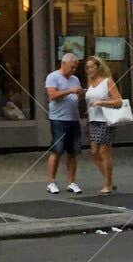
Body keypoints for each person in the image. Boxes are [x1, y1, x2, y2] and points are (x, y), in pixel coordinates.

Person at [84, 56, 124, 194]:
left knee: (104, 152)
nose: (88, 70)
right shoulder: (90, 82)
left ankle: (107, 184)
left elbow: (118, 101)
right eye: (87, 67)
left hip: (106, 121)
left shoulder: (107, 81)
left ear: (98, 67)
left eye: (91, 67)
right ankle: (109, 180)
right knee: (94, 152)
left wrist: (101, 102)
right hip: (93, 120)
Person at [45, 52, 84, 194]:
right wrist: (69, 91)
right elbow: (52, 95)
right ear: (64, 64)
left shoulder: (75, 79)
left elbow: (76, 98)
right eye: (72, 67)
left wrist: (80, 94)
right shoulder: (53, 77)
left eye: (76, 68)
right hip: (58, 120)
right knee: (57, 150)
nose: (74, 70)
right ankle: (51, 182)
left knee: (73, 152)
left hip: (73, 118)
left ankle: (71, 181)